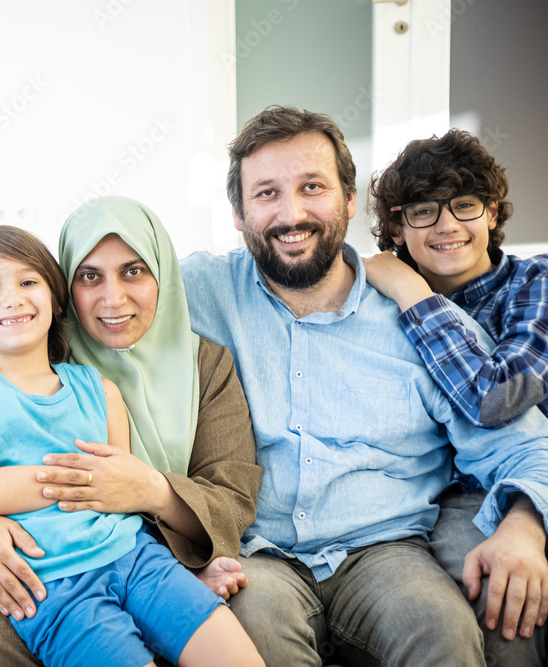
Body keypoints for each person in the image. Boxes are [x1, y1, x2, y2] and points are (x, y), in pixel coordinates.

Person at [179, 105, 548, 666]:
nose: (292, 212)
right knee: (248, 637)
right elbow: (84, 297)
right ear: (237, 212)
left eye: (313, 187)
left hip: (388, 549)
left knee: (442, 631)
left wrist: (524, 526)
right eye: (267, 193)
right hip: (257, 555)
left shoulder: (426, 320)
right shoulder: (197, 291)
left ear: (349, 201)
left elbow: (523, 443)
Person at [0, 198, 262, 665]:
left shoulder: (185, 369)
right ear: (69, 287)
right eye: (90, 276)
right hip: (53, 578)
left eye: (134, 271)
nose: (113, 297)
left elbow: (214, 495)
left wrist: (153, 499)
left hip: (144, 558)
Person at [364, 128, 548, 428]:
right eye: (424, 211)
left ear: (490, 213)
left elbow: (496, 401)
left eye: (464, 205)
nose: (448, 226)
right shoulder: (381, 306)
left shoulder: (537, 281)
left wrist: (412, 293)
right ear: (397, 230)